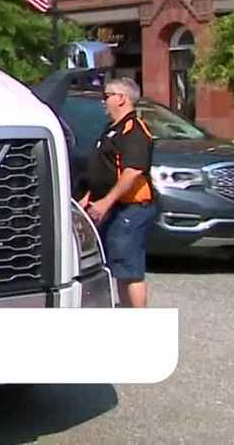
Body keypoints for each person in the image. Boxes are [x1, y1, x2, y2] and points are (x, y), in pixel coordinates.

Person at [79, 77, 156, 308]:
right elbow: (106, 170)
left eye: (107, 96)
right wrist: (89, 198)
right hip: (114, 207)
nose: (104, 102)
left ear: (121, 98)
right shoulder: (111, 129)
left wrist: (105, 203)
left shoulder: (134, 130)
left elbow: (131, 172)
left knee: (129, 269)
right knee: (118, 268)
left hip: (131, 208)